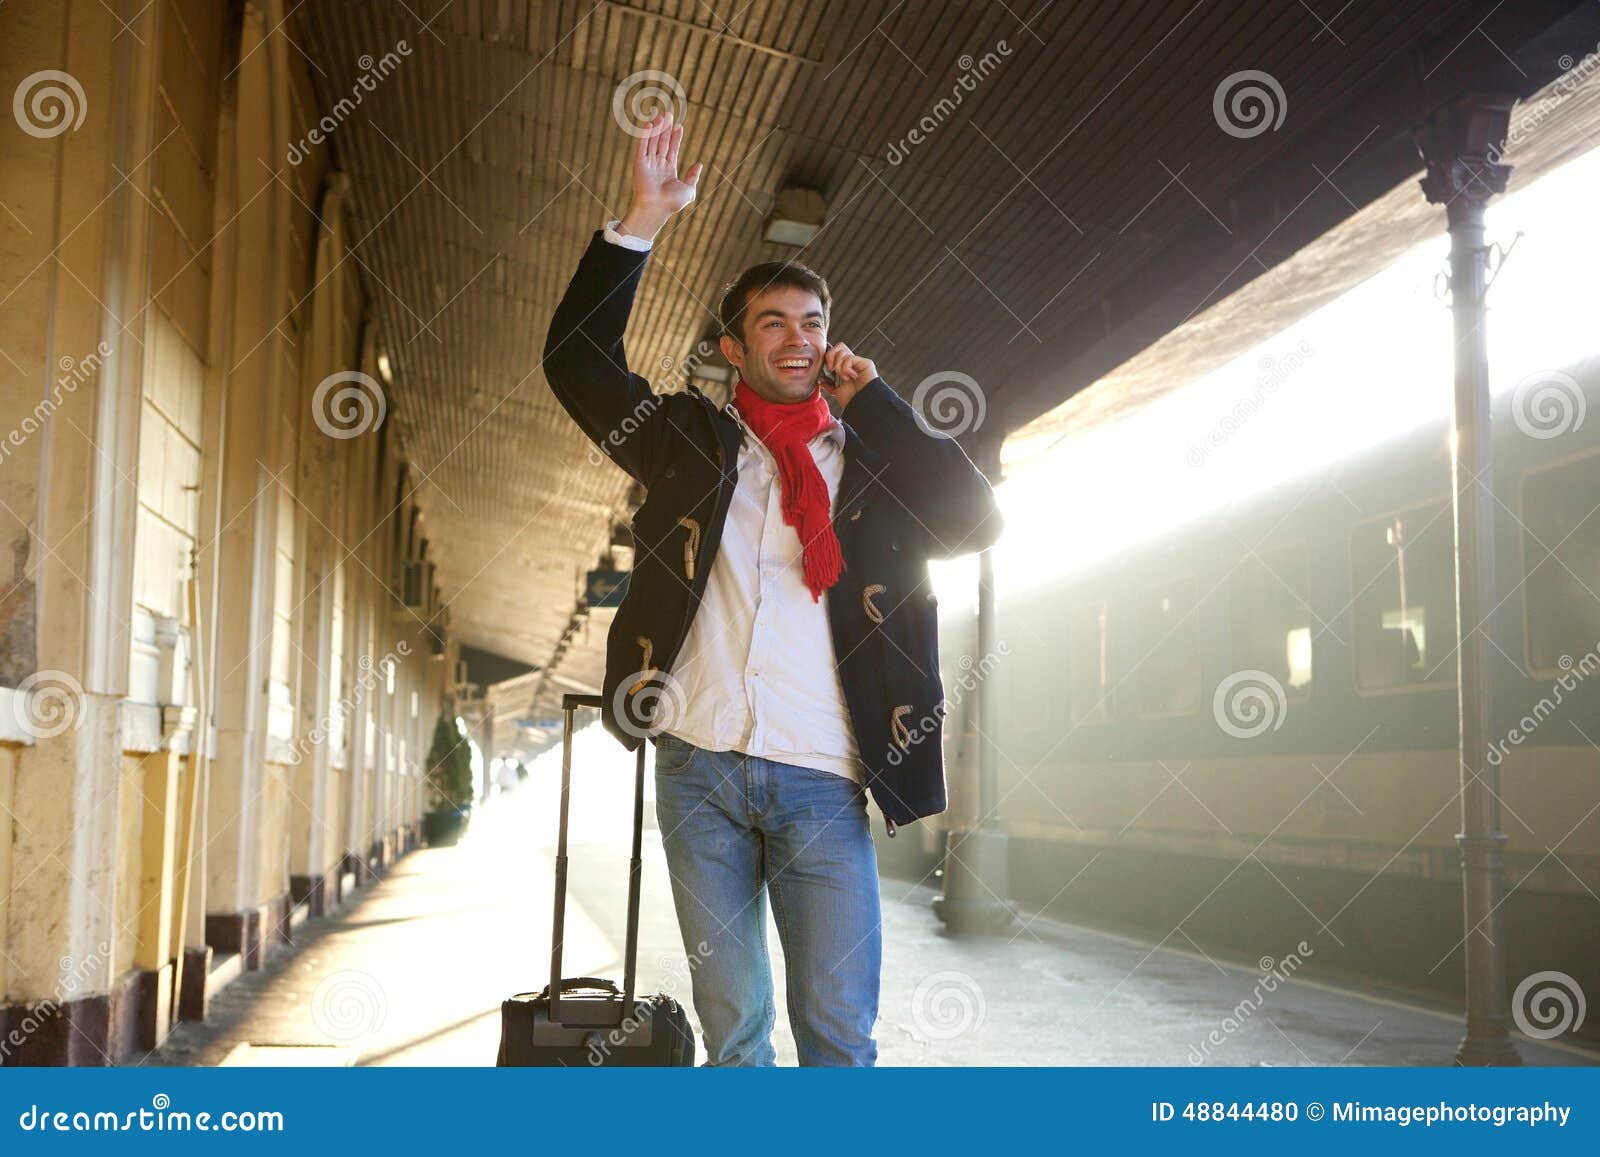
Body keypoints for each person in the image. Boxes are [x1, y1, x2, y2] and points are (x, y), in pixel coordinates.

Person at [542, 110, 1001, 1066]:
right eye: (773, 323)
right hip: (699, 765)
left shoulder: (871, 471)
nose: (796, 339)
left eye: (813, 324)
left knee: (838, 1036)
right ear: (733, 347)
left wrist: (876, 398)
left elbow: (977, 519)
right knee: (736, 1030)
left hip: (824, 781)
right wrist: (641, 222)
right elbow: (576, 365)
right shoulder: (690, 448)